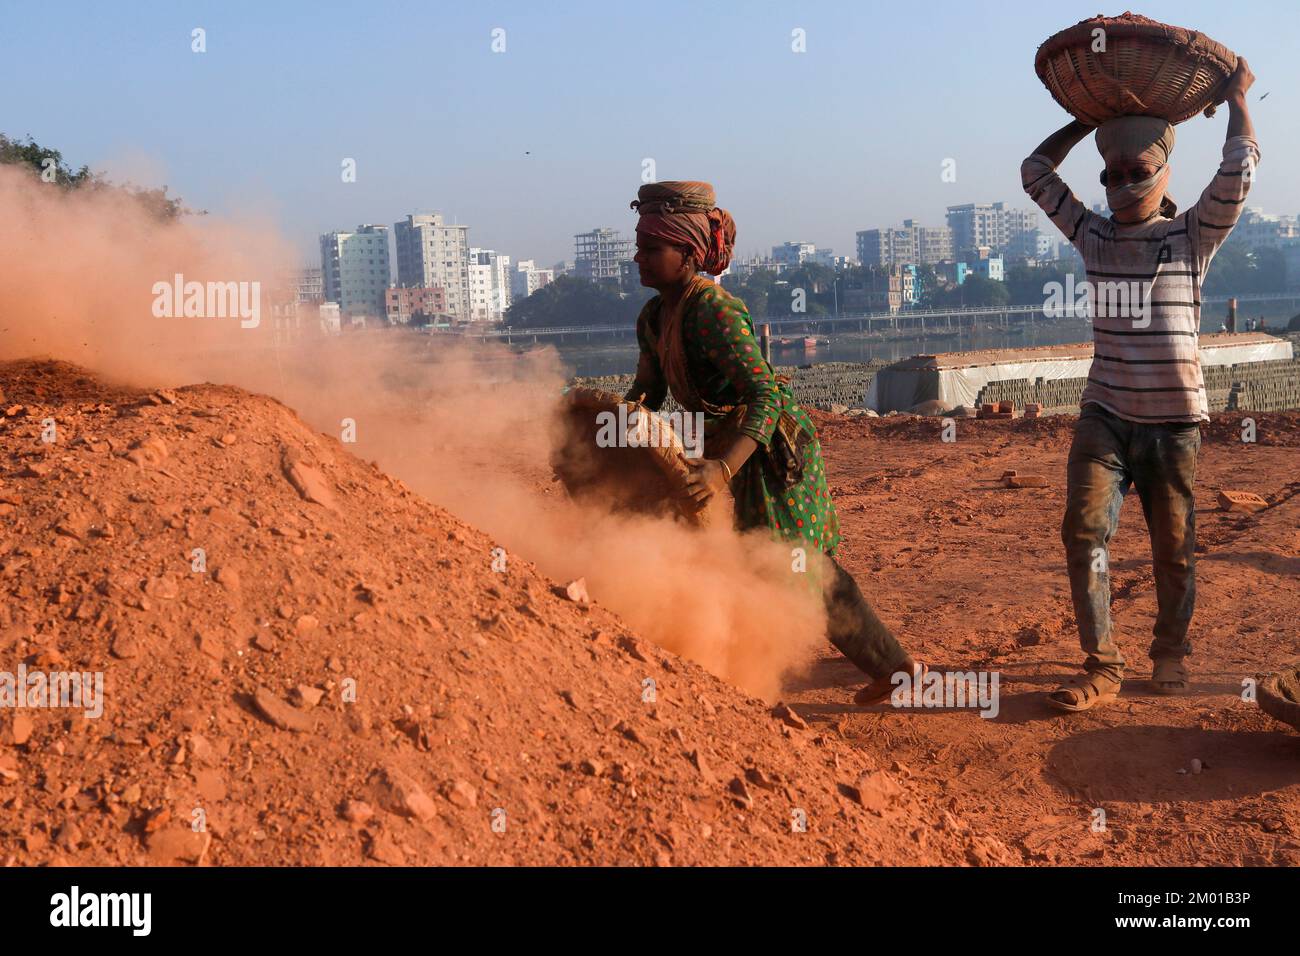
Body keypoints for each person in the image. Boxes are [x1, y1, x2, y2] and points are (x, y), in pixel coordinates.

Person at [624, 180, 922, 705]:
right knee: (754, 562)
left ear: (688, 253)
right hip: (725, 454)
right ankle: (749, 670)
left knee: (794, 565)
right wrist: (608, 425)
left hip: (769, 454)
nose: (638, 258)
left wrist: (720, 470)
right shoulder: (653, 318)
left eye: (651, 248)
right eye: (639, 245)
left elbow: (763, 395)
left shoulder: (713, 312)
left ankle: (885, 669)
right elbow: (646, 393)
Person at [1021, 61, 1259, 711]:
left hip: (1174, 423)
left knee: (1173, 549)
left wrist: (1238, 100)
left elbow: (1238, 169)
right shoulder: (1093, 235)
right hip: (1104, 414)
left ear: (1164, 172)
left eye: (1137, 170)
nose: (1124, 184)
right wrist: (1084, 120)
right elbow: (1036, 173)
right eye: (1112, 174)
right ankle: (1102, 664)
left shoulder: (1191, 236)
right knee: (1083, 534)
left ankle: (1170, 651)